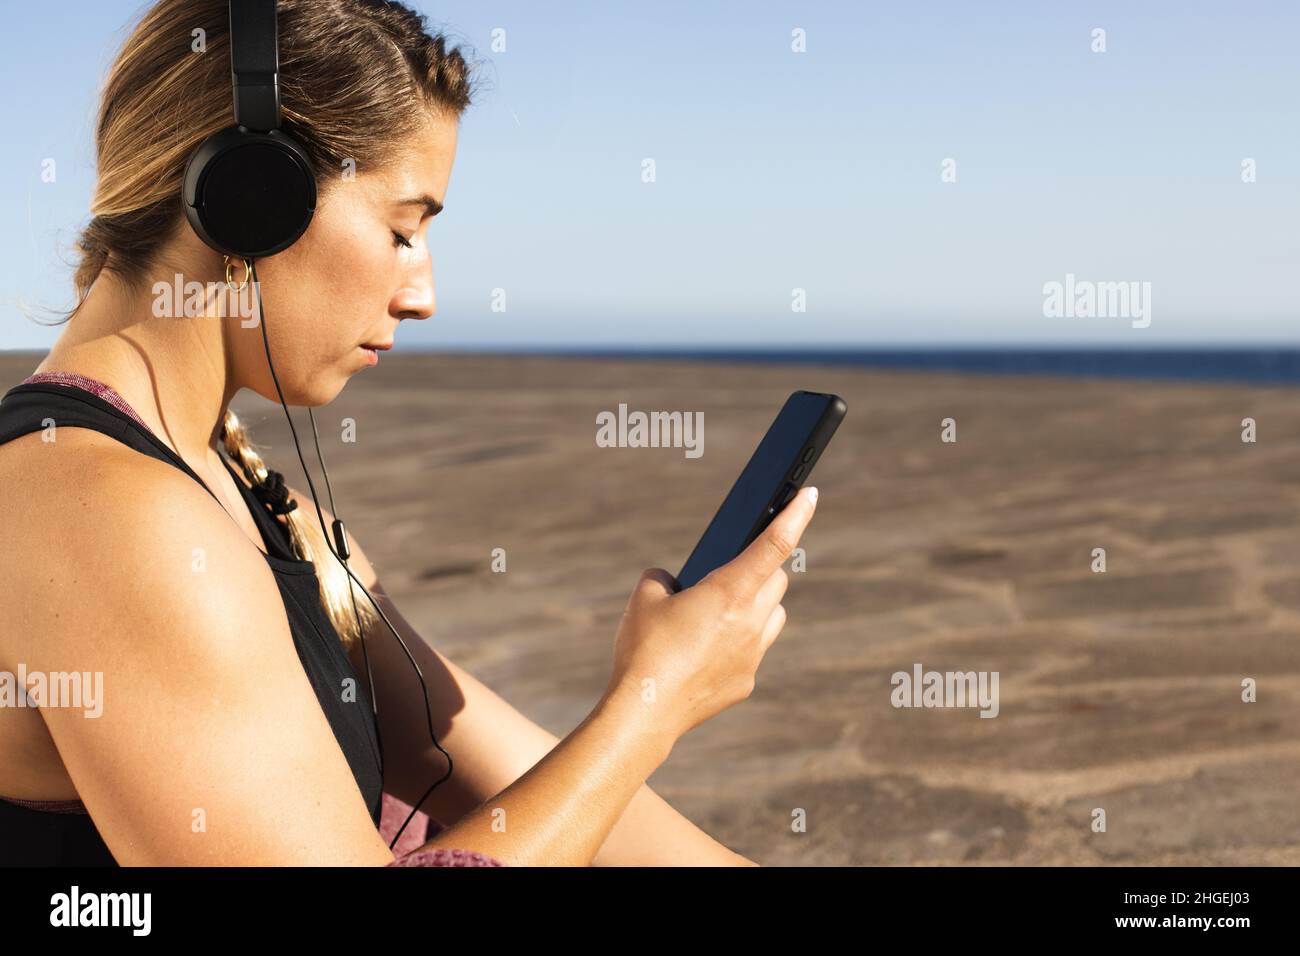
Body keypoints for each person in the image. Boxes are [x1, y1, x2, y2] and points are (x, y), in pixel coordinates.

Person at [0, 0, 818, 866]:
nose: (422, 292)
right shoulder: (102, 511)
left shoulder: (249, 496)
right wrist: (651, 704)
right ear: (249, 200)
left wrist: (660, 696)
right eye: (402, 229)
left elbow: (476, 757)